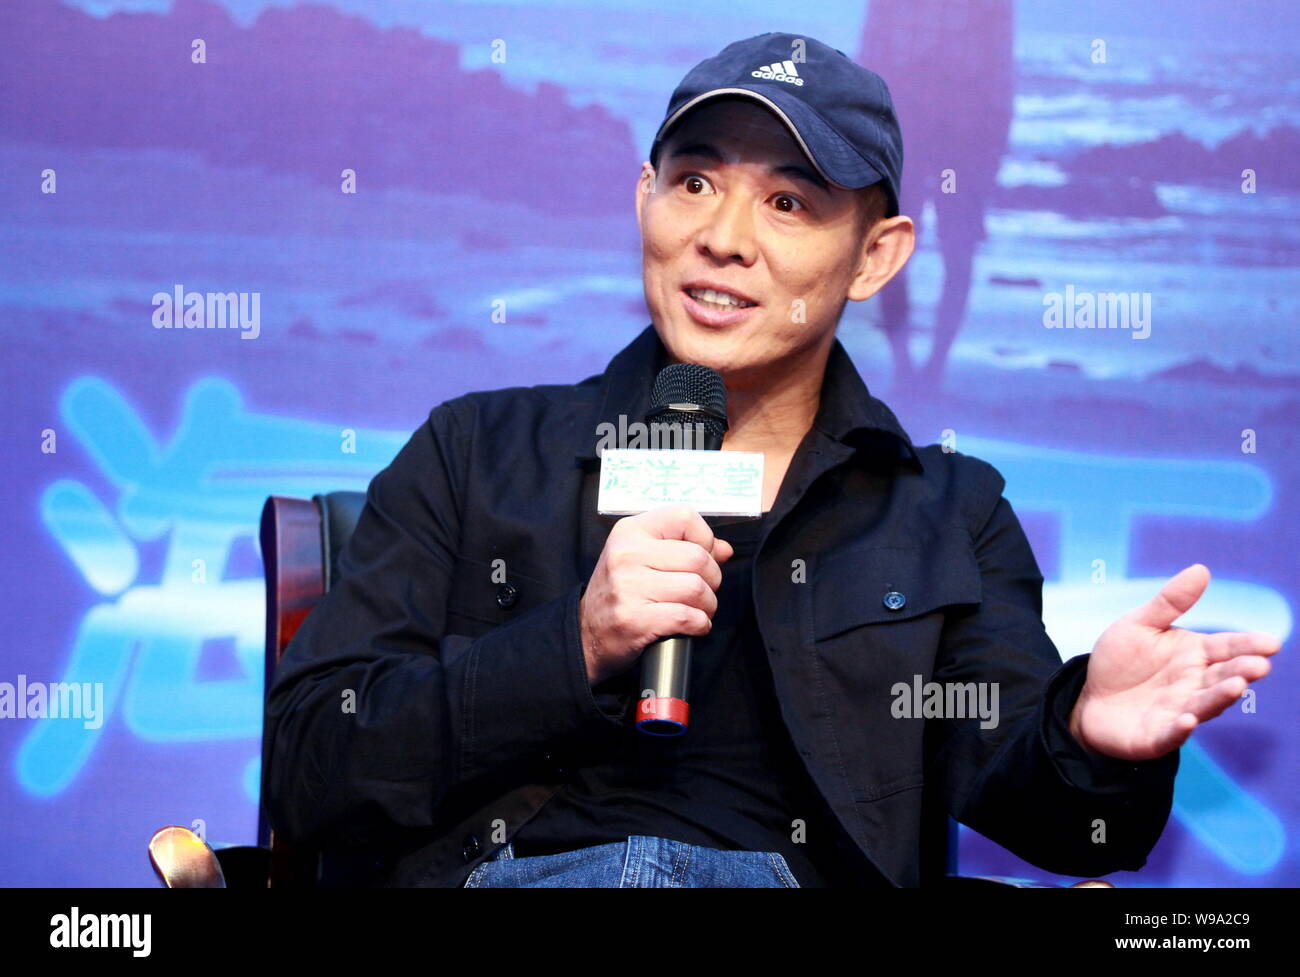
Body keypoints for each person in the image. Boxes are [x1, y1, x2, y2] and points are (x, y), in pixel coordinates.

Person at [261, 33, 1279, 888]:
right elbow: (312, 767)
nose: (722, 237)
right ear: (642, 198)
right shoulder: (476, 451)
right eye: (694, 180)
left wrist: (1092, 737)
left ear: (876, 255)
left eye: (788, 203)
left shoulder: (942, 511)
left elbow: (1054, 819)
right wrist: (569, 647)